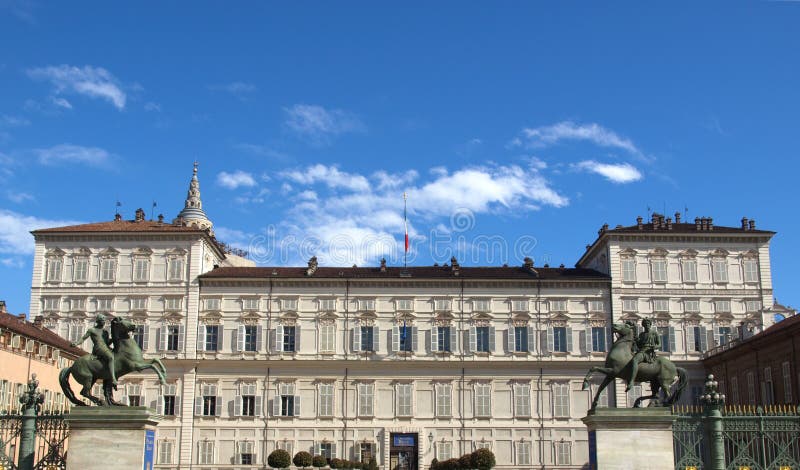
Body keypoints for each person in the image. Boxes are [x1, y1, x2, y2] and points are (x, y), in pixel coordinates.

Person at [72, 313, 117, 385]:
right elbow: (83, 338)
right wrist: (76, 343)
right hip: (98, 348)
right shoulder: (92, 330)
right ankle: (113, 378)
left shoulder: (105, 332)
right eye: (102, 321)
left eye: (104, 321)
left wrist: (114, 339)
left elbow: (107, 342)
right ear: (98, 321)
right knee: (111, 357)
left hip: (105, 347)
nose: (104, 323)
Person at [627, 318, 660, 392]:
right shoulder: (642, 334)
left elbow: (659, 344)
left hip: (648, 353)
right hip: (642, 351)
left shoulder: (654, 333)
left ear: (650, 325)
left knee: (635, 360)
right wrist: (636, 340)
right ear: (643, 326)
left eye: (648, 324)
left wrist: (655, 346)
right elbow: (639, 345)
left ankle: (632, 380)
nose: (647, 325)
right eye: (645, 324)